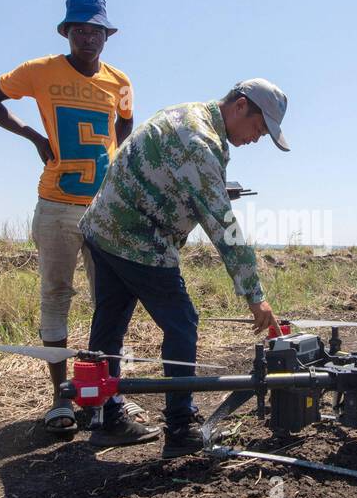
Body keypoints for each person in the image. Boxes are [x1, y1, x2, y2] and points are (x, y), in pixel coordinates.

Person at [80, 79, 288, 457]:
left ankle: (104, 418)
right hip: (137, 238)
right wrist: (255, 295)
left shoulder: (189, 116)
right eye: (260, 128)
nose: (257, 138)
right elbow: (224, 228)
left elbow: (166, 175)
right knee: (182, 322)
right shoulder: (201, 143)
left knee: (110, 322)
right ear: (241, 106)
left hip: (103, 228)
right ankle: (180, 426)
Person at [0, 0, 143, 443]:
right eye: (80, 29)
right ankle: (62, 398)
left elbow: (125, 124)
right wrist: (31, 134)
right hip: (57, 206)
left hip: (103, 210)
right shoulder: (39, 71)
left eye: (97, 30)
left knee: (109, 302)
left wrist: (112, 155)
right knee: (56, 295)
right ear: (66, 32)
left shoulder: (120, 80)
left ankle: (105, 394)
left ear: (108, 35)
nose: (89, 37)